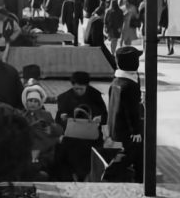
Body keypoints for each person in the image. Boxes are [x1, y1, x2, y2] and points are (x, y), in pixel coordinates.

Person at [54, 71, 108, 181]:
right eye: (76, 89)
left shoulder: (95, 96)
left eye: (81, 89)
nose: (78, 91)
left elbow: (104, 115)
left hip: (90, 136)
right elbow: (58, 119)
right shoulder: (65, 98)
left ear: (87, 86)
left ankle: (87, 175)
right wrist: (62, 117)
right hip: (72, 135)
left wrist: (99, 118)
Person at [105, 46, 144, 182]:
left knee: (139, 154)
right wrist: (135, 131)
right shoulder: (129, 85)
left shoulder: (116, 81)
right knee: (130, 153)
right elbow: (131, 110)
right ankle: (110, 173)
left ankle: (140, 178)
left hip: (117, 126)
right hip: (128, 129)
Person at [21, 82, 63, 178]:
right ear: (26, 102)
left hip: (43, 148)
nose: (33, 104)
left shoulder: (45, 115)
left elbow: (58, 129)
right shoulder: (21, 115)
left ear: (40, 103)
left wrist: (50, 128)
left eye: (36, 101)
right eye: (30, 101)